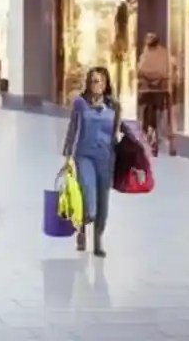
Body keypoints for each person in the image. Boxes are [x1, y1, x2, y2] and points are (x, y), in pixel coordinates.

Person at [62, 67, 121, 257]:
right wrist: (68, 154)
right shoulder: (80, 103)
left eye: (101, 81)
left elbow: (116, 133)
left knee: (103, 202)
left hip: (105, 157)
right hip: (84, 155)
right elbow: (73, 128)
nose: (98, 85)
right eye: (94, 81)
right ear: (88, 83)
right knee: (88, 195)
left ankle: (98, 241)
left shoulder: (114, 105)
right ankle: (81, 228)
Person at [136, 33, 176, 156]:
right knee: (157, 115)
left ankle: (156, 139)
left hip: (155, 90)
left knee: (157, 115)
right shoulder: (160, 53)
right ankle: (155, 139)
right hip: (156, 89)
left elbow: (141, 70)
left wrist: (147, 77)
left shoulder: (151, 54)